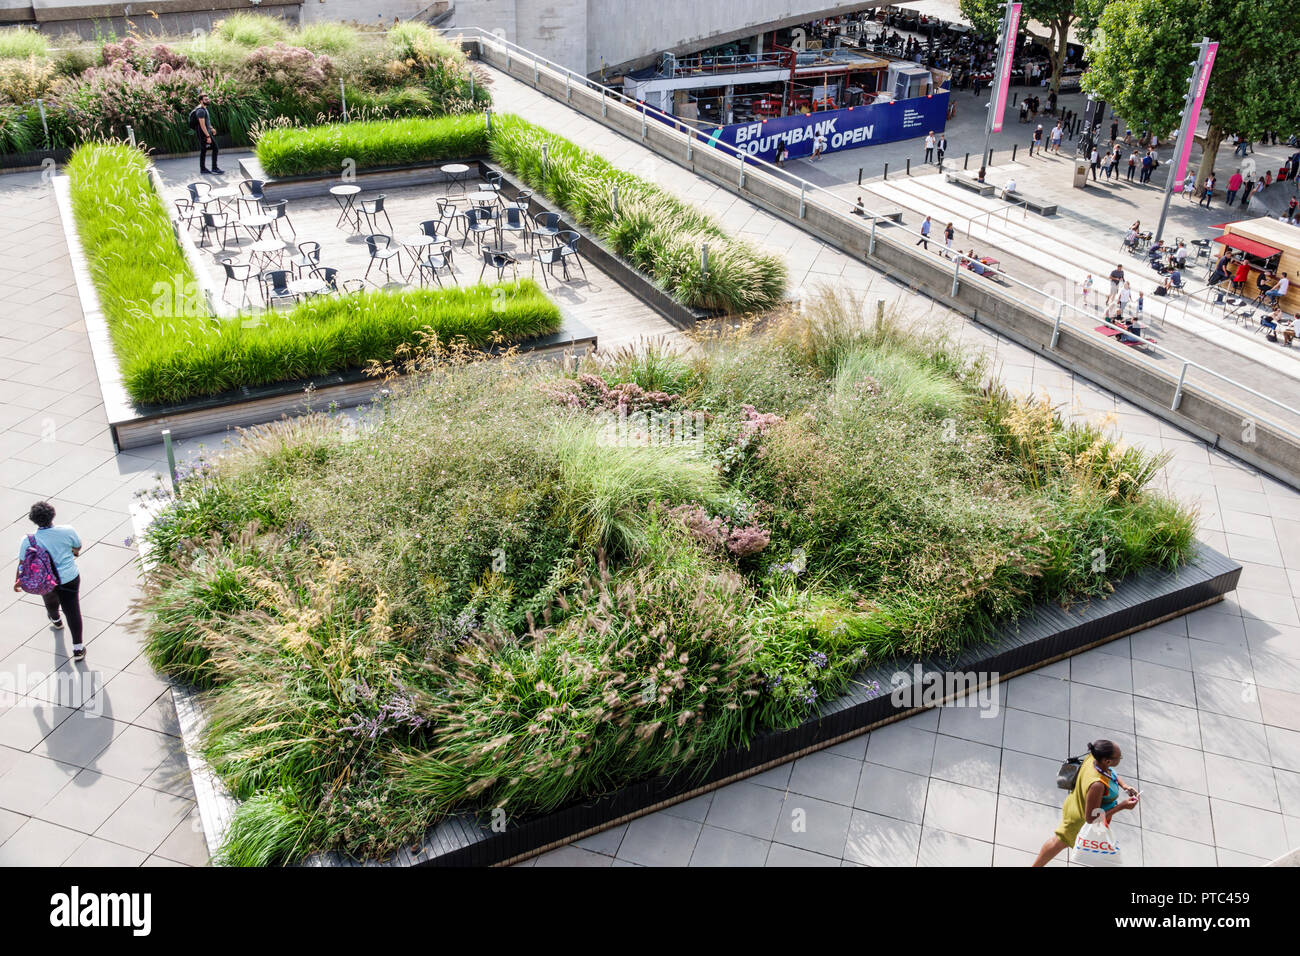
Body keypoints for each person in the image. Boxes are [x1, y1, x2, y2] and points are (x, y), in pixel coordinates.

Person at [1033, 740, 1139, 866]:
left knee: (1061, 841)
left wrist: (1125, 786)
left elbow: (1111, 773)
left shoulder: (1093, 758)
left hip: (1074, 804)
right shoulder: (1097, 785)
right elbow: (1091, 818)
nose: (1120, 759)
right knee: (1061, 842)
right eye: (1119, 757)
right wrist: (1122, 806)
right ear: (1107, 760)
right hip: (1080, 820)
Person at [14, 501, 85, 661]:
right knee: (72, 609)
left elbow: (23, 563)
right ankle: (78, 648)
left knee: (49, 598)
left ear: (33, 519)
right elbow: (77, 547)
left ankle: (55, 618)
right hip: (69, 577)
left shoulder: (28, 540)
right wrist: (72, 552)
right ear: (52, 515)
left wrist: (18, 580)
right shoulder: (67, 531)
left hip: (45, 580)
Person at [190, 92, 223, 175]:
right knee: (214, 148)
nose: (208, 100)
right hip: (203, 134)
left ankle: (204, 169)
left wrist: (211, 128)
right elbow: (202, 125)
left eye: (208, 99)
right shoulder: (200, 111)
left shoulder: (204, 109)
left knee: (204, 150)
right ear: (201, 101)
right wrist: (208, 136)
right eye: (206, 99)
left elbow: (206, 123)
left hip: (205, 133)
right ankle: (213, 168)